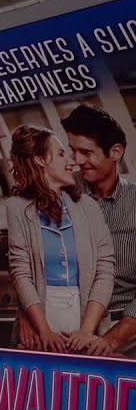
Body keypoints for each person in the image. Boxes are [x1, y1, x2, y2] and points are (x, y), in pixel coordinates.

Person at [6, 124, 115, 355]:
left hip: (86, 321)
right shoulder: (16, 208)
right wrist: (43, 331)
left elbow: (105, 270)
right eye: (61, 154)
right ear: (40, 160)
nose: (72, 162)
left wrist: (86, 331)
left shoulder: (89, 207)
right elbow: (21, 273)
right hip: (40, 326)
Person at [62, 103, 136, 355]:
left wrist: (111, 340)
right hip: (67, 328)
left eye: (86, 152)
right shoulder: (62, 194)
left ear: (115, 151)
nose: (77, 161)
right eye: (72, 151)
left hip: (124, 330)